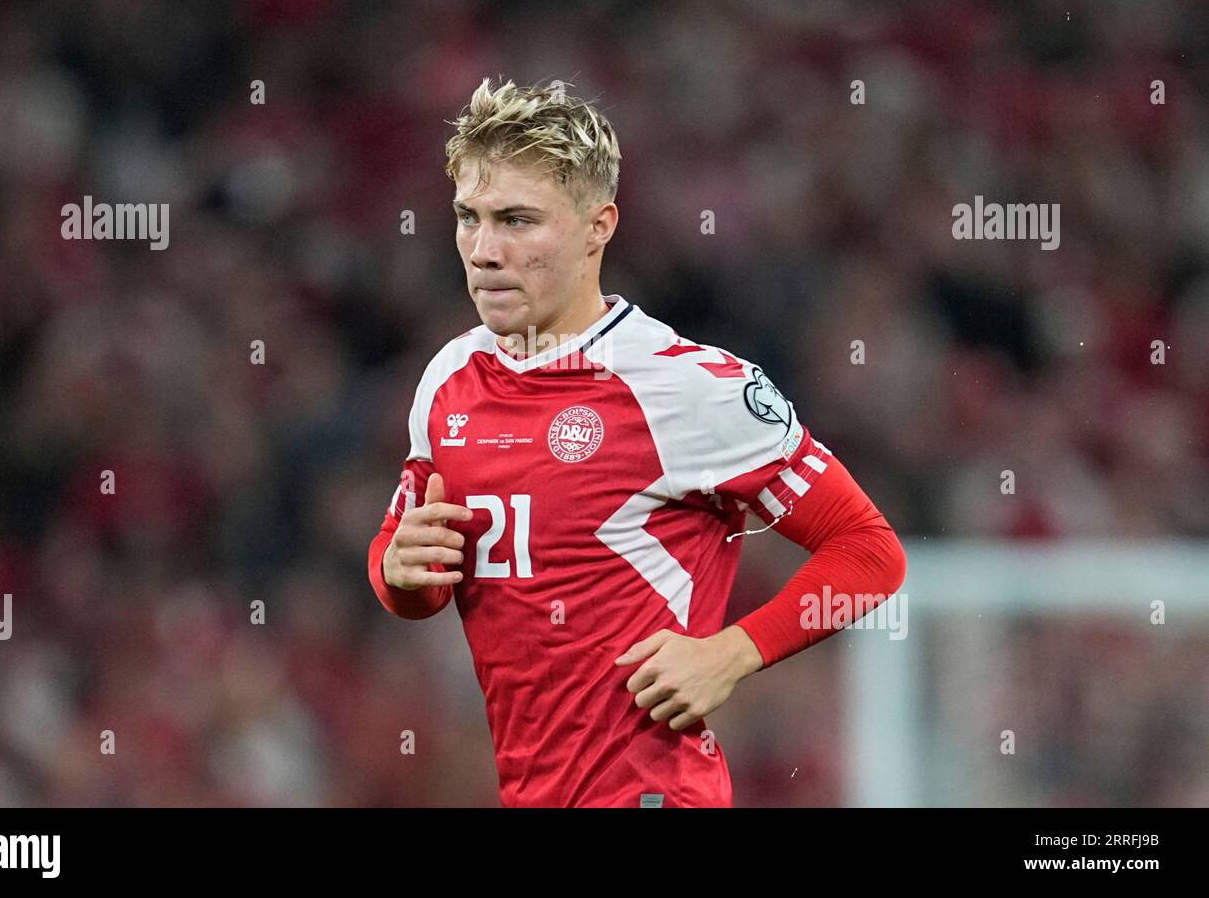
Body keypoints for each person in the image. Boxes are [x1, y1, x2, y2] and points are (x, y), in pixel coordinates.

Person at [368, 77, 906, 807]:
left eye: (519, 220)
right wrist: (396, 571)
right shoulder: (449, 379)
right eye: (470, 217)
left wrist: (733, 652)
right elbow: (417, 581)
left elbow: (870, 551)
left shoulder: (688, 388)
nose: (485, 250)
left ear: (599, 226)